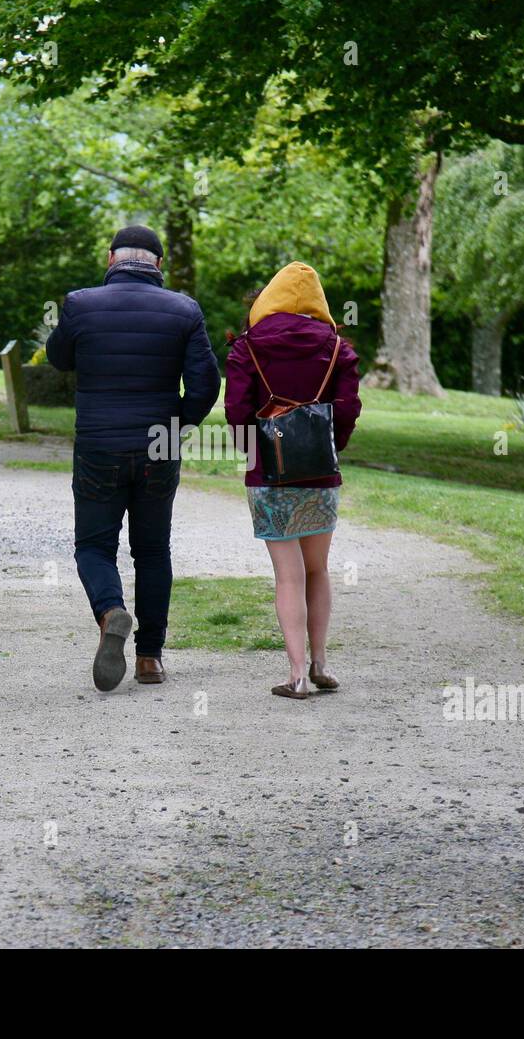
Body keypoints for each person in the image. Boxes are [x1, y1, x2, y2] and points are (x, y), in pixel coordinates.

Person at [47, 226, 221, 691]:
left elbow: (58, 358)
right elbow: (206, 385)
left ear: (111, 258)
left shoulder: (80, 303)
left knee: (94, 546)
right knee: (152, 550)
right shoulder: (185, 310)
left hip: (98, 446)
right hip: (157, 449)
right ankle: (149, 658)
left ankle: (110, 612)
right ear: (158, 264)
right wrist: (176, 427)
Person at [224, 262, 361, 699]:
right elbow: (348, 408)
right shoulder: (338, 347)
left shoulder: (248, 347)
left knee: (288, 576)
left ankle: (298, 675)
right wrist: (329, 446)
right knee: (318, 568)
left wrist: (252, 454)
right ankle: (321, 662)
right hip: (321, 474)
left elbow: (237, 411)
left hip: (269, 473)